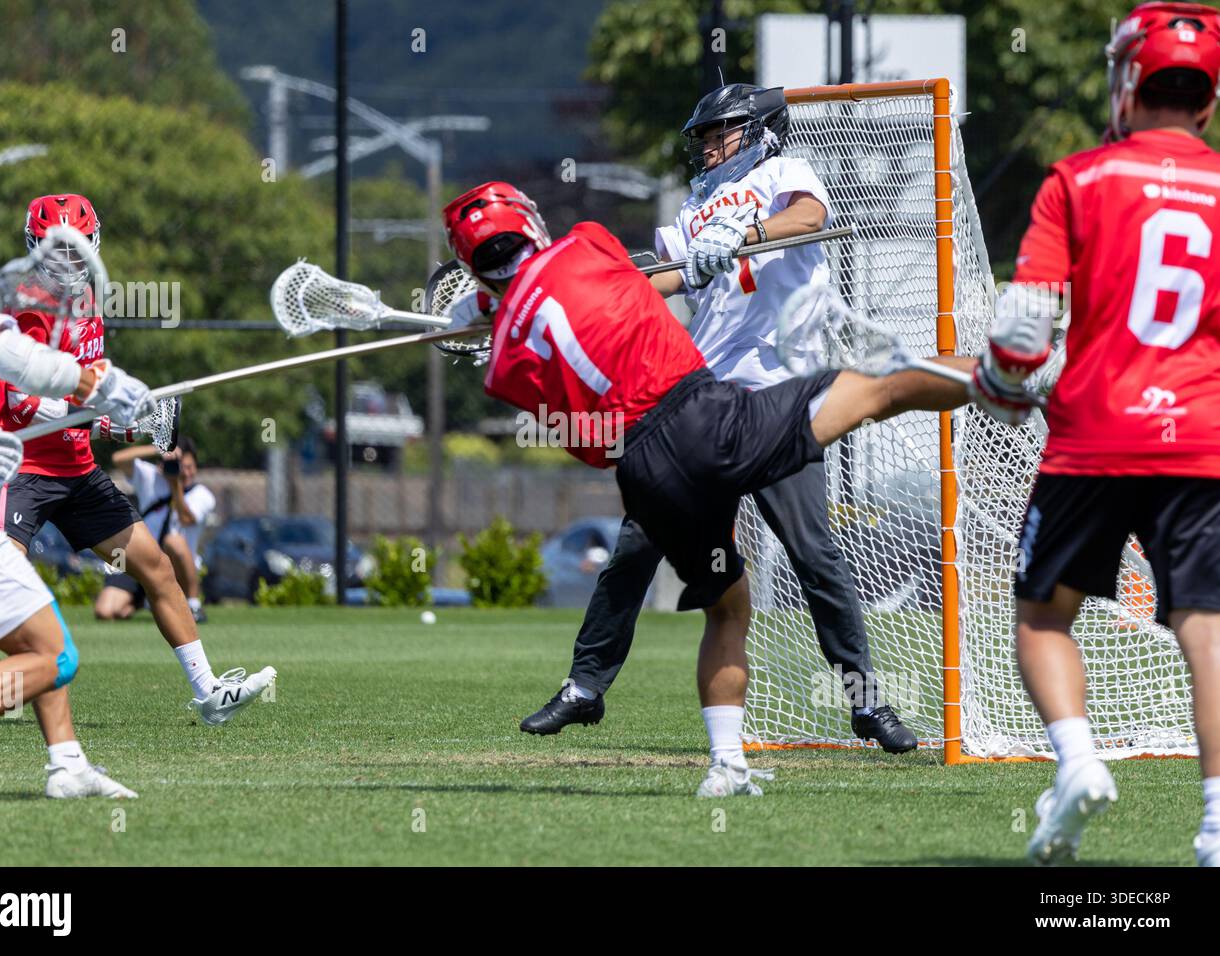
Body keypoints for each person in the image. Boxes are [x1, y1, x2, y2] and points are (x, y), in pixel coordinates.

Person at [442, 181, 979, 796]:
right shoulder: (587, 242)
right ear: (531, 224)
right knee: (881, 388)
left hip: (646, 468)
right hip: (716, 418)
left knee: (728, 607)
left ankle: (729, 765)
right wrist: (499, 306)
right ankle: (1023, 377)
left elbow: (590, 444)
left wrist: (494, 313)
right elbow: (613, 285)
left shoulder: (504, 366)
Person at [518, 83, 915, 754]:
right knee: (638, 543)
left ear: (758, 129)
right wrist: (554, 309)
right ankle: (586, 686)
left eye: (719, 131)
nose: (707, 144)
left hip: (780, 399)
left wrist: (749, 231)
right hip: (703, 399)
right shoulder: (697, 205)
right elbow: (663, 278)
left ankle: (865, 702)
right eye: (703, 135)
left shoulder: (783, 173)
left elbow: (813, 215)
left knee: (813, 553)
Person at [976, 2, 1220, 866]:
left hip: (1094, 436)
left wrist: (999, 384)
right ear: (1207, 97)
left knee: (1043, 618)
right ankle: (1217, 825)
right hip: (1200, 438)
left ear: (1128, 80)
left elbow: (1023, 331)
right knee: (1206, 626)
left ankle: (1077, 762)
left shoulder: (1078, 179)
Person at [0, 193, 274, 727]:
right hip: (20, 469)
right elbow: (24, 404)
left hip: (75, 469)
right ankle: (12, 689)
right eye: (56, 253)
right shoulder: (19, 309)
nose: (69, 266)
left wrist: (124, 415)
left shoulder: (89, 303)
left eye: (77, 253)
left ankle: (209, 691)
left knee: (156, 568)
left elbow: (92, 382)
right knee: (9, 583)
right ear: (34, 251)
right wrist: (98, 412)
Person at [0, 190, 150, 802]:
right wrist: (102, 386)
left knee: (34, 634)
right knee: (53, 654)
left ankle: (67, 762)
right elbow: (26, 362)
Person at [95, 436, 214, 623]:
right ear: (162, 465)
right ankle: (143, 600)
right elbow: (119, 459)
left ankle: (193, 604)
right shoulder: (151, 477)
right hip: (144, 562)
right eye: (181, 466)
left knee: (173, 542)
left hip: (177, 572)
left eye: (190, 467)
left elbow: (186, 518)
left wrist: (175, 485)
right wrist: (160, 449)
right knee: (105, 611)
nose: (186, 473)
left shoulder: (202, 494)